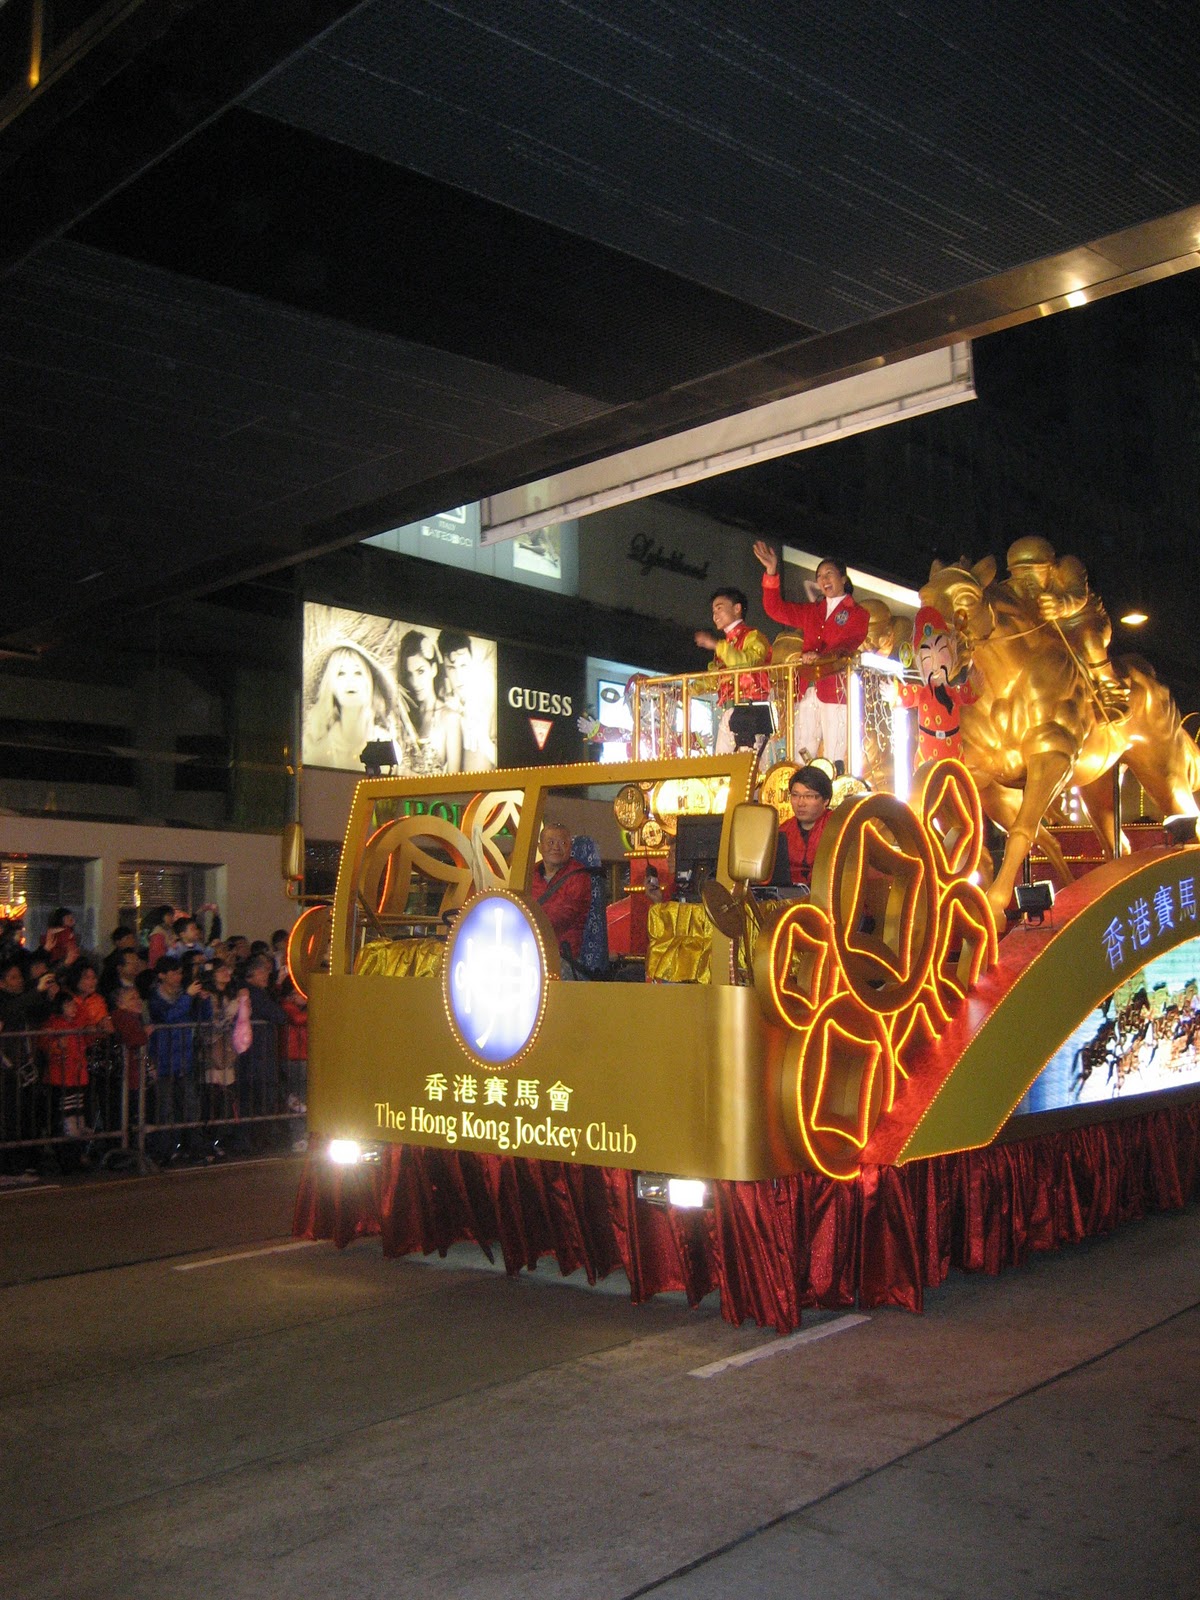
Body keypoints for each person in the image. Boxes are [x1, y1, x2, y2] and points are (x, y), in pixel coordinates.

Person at [753, 542, 870, 769]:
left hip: (836, 689)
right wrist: (771, 572)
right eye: (819, 576)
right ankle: (802, 797)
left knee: (835, 753)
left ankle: (833, 799)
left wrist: (819, 656)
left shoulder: (857, 613)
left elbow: (848, 644)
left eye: (829, 574)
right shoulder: (812, 612)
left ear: (843, 579)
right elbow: (775, 609)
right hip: (809, 688)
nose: (824, 580)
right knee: (802, 751)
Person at [895, 605, 981, 766]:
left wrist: (975, 684)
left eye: (940, 651)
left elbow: (965, 696)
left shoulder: (952, 693)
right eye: (927, 658)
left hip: (954, 753)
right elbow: (909, 694)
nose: (935, 666)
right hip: (928, 756)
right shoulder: (923, 693)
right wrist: (895, 692)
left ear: (951, 650)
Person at [693, 586, 772, 754]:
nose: (715, 615)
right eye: (713, 611)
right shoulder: (725, 645)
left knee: (748, 768)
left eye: (719, 608)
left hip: (751, 710)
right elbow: (713, 678)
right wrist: (687, 690)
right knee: (723, 770)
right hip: (730, 711)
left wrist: (716, 645)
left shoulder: (753, 636)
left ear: (737, 608)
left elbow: (747, 663)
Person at [303, 637, 397, 770]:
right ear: (331, 684)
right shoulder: (314, 749)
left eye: (358, 672)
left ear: (370, 681)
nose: (350, 681)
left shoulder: (387, 745)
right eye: (341, 673)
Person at [396, 629, 464, 774]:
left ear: (433, 669)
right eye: (409, 674)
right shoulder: (403, 716)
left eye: (421, 671)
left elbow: (455, 780)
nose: (415, 682)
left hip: (438, 796)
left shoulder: (450, 718)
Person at [531, 823, 592, 976]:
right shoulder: (529, 875)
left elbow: (560, 916)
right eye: (550, 842)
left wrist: (526, 921)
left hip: (564, 957)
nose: (556, 847)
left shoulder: (579, 876)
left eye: (562, 843)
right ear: (540, 847)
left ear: (570, 847)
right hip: (529, 951)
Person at [438, 628, 497, 769]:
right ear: (444, 669)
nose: (459, 676)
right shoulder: (445, 699)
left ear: (472, 661)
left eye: (463, 665)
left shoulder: (487, 694)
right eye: (451, 668)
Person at [778, 765, 834, 891]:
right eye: (795, 795)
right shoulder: (783, 831)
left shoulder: (837, 826)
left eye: (809, 796)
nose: (800, 803)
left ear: (825, 800)